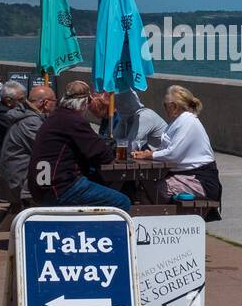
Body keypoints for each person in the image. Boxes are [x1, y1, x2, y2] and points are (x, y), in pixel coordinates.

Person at [27, 80, 130, 210]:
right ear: (85, 103)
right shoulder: (74, 120)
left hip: (40, 188)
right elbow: (103, 154)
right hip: (60, 188)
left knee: (96, 181)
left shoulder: (54, 118)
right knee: (122, 203)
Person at [132, 85, 221, 216]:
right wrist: (149, 154)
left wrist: (149, 154)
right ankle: (154, 223)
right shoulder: (178, 122)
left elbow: (172, 154)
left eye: (165, 105)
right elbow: (166, 151)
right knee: (145, 188)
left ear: (174, 106)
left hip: (199, 180)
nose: (164, 108)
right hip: (185, 176)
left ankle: (157, 224)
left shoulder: (188, 122)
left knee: (153, 190)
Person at [0, 84, 55, 203]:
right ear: (45, 103)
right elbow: (48, 151)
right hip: (19, 179)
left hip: (11, 174)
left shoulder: (25, 115)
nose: (56, 104)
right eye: (54, 101)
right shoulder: (32, 123)